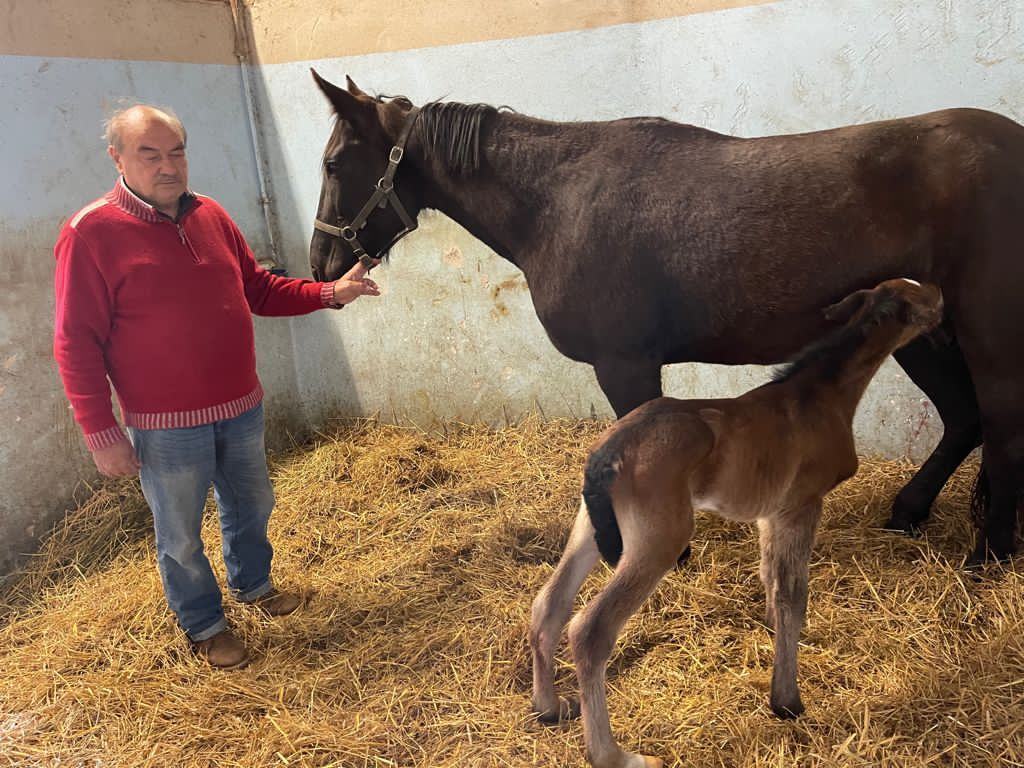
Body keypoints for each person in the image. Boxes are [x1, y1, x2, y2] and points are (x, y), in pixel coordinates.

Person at [52, 104, 378, 668]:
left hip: (240, 407)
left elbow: (258, 289)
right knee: (180, 534)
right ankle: (204, 623)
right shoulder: (90, 233)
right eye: (150, 155)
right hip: (165, 425)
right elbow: (74, 342)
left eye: (176, 152)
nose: (168, 166)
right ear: (117, 159)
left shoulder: (211, 214)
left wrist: (329, 293)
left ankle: (254, 585)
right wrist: (101, 432)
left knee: (253, 503)